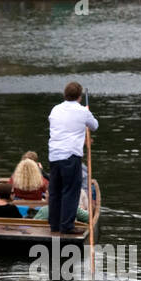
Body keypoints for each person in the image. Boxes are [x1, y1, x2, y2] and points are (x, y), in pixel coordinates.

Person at [48, 81, 98, 235]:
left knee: (55, 191)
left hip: (54, 155)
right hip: (70, 156)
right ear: (79, 97)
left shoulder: (55, 109)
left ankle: (54, 225)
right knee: (70, 191)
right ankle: (67, 226)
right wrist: (87, 112)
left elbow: (55, 123)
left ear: (65, 95)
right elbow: (95, 125)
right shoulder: (82, 111)